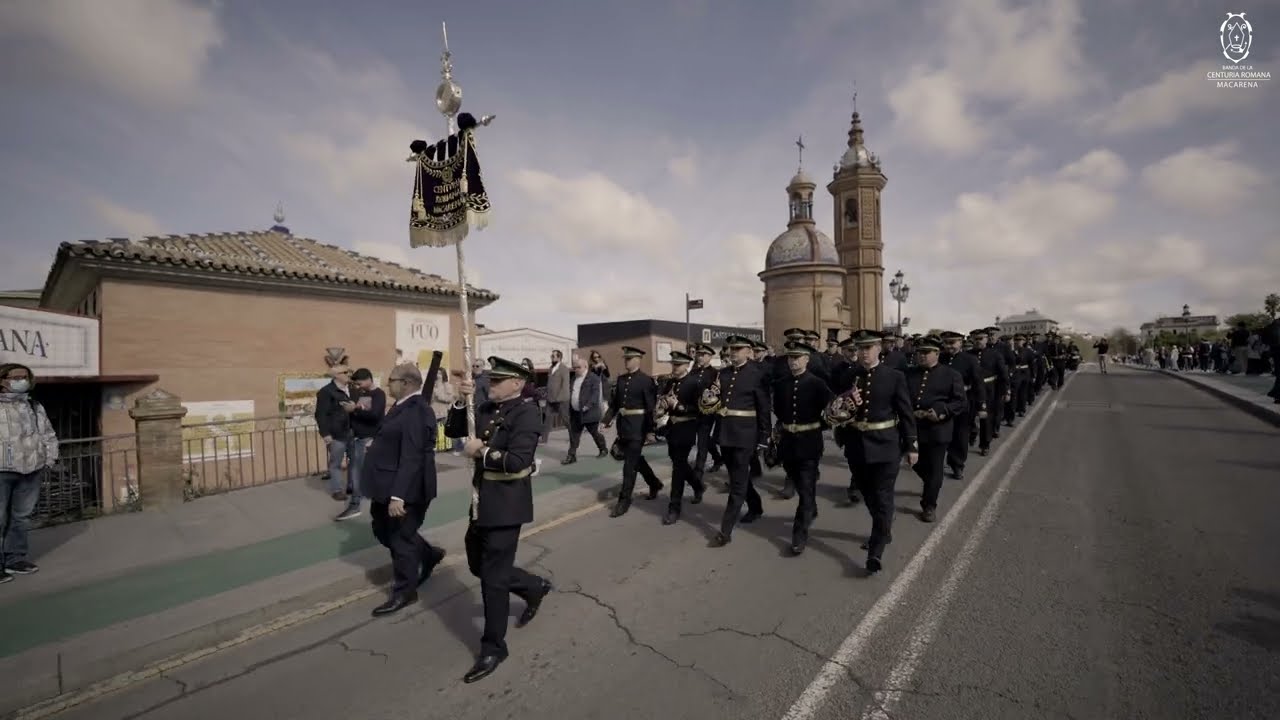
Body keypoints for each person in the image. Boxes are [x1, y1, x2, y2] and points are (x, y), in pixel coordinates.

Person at [447, 356, 554, 684]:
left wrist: (481, 452)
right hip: (481, 501)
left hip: (507, 504)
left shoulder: (527, 413)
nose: (490, 384)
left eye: (497, 380)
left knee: (492, 579)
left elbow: (519, 460)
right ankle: (533, 586)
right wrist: (460, 400)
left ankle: (493, 647)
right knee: (478, 565)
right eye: (490, 379)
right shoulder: (484, 408)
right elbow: (453, 430)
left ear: (517, 383)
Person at [363, 363, 444, 616]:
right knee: (382, 529)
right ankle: (428, 554)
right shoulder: (401, 406)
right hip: (386, 484)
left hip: (407, 489)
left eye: (391, 380)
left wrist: (399, 496)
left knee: (401, 540)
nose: (388, 384)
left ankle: (405, 592)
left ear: (406, 383)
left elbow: (412, 456)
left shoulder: (417, 410)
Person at [0, 363, 59, 583]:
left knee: (21, 518)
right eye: (16, 377)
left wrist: (49, 459)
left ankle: (14, 559)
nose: (21, 381)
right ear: (2, 380)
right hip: (2, 471)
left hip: (31, 469)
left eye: (25, 377)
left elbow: (48, 434)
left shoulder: (33, 406)